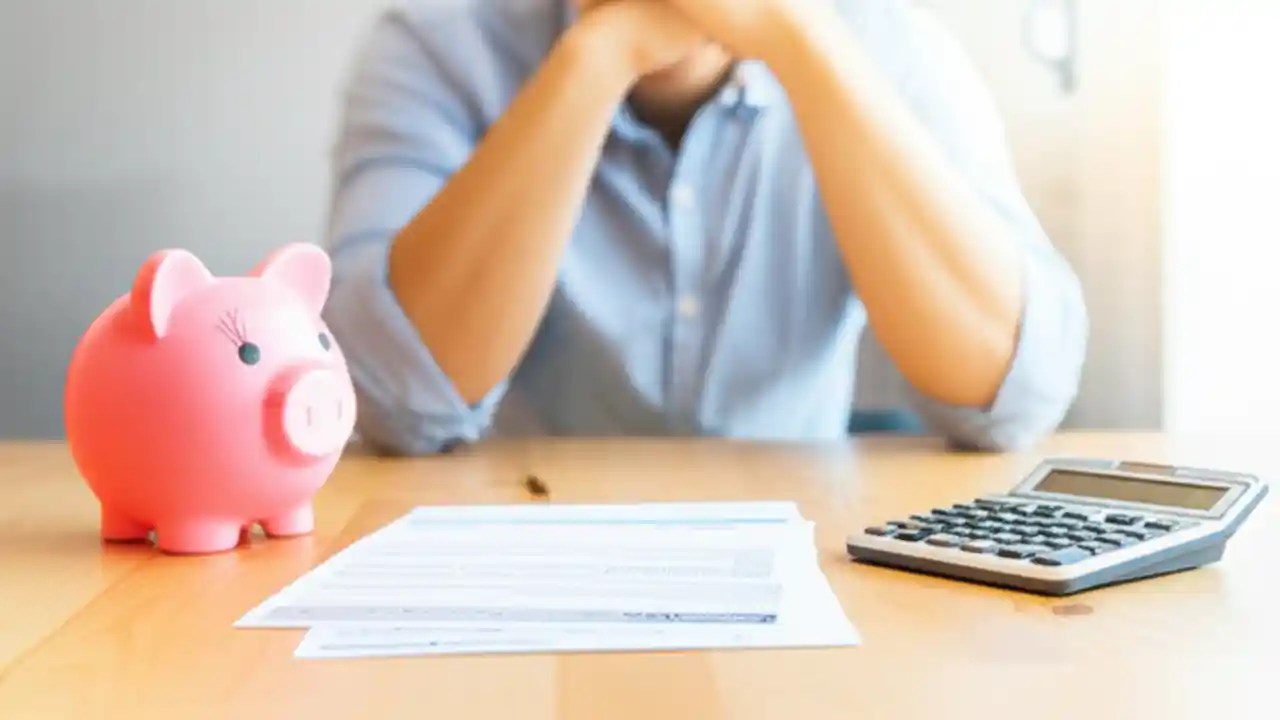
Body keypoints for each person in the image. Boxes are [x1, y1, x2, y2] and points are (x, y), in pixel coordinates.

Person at [321, 0, 1088, 455]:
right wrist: (599, 54)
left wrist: (796, 35)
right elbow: (391, 403)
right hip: (518, 545)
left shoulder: (883, 38)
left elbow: (1013, 394)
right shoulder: (438, 45)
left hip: (806, 548)